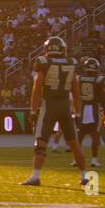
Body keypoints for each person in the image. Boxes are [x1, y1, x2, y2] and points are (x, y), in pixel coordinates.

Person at [21, 36, 88, 187]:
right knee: (74, 143)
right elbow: (76, 93)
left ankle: (36, 176)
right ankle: (84, 176)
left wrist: (32, 110)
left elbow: (37, 89)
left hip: (49, 105)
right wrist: (77, 113)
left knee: (41, 141)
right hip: (66, 105)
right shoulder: (71, 63)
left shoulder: (44, 63)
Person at [73, 57, 105, 168]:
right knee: (95, 135)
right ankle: (94, 160)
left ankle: (75, 159)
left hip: (82, 108)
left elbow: (74, 94)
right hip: (94, 108)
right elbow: (102, 96)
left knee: (80, 135)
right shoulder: (99, 79)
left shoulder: (79, 78)